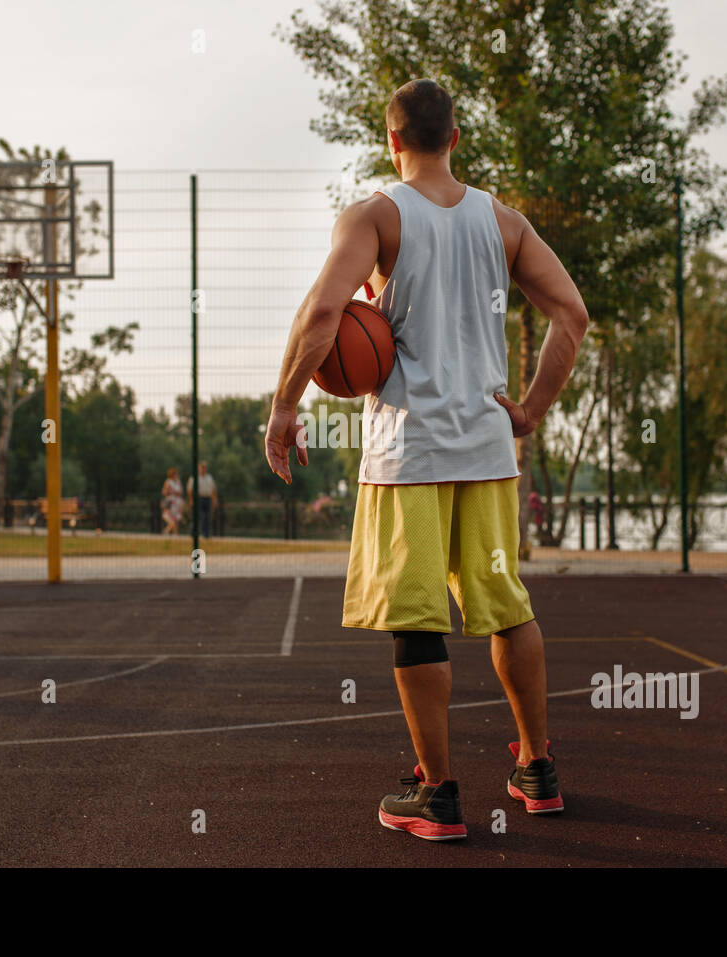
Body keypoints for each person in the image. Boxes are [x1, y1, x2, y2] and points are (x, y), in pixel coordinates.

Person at [264, 78, 589, 841]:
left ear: (392, 140)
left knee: (417, 619)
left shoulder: (376, 215)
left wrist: (285, 406)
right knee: (508, 607)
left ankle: (438, 792)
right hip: (485, 447)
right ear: (455, 138)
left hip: (407, 450)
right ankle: (537, 767)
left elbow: (320, 314)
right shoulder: (503, 223)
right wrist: (532, 409)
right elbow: (572, 314)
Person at [186, 462, 219, 538]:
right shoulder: (194, 477)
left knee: (207, 516)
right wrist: (191, 500)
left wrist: (215, 499)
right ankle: (193, 533)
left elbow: (213, 489)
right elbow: (189, 490)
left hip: (207, 498)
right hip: (198, 498)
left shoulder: (209, 477)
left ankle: (206, 534)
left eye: (204, 467)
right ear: (199, 468)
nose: (203, 469)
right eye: (202, 467)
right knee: (197, 516)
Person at [160, 467, 185, 535]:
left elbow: (181, 492)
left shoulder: (178, 481)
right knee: (170, 517)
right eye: (175, 474)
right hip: (170, 501)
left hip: (177, 502)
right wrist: (172, 492)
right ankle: (176, 533)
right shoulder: (168, 482)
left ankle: (167, 531)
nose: (177, 475)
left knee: (176, 518)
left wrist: (176, 492)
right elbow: (164, 492)